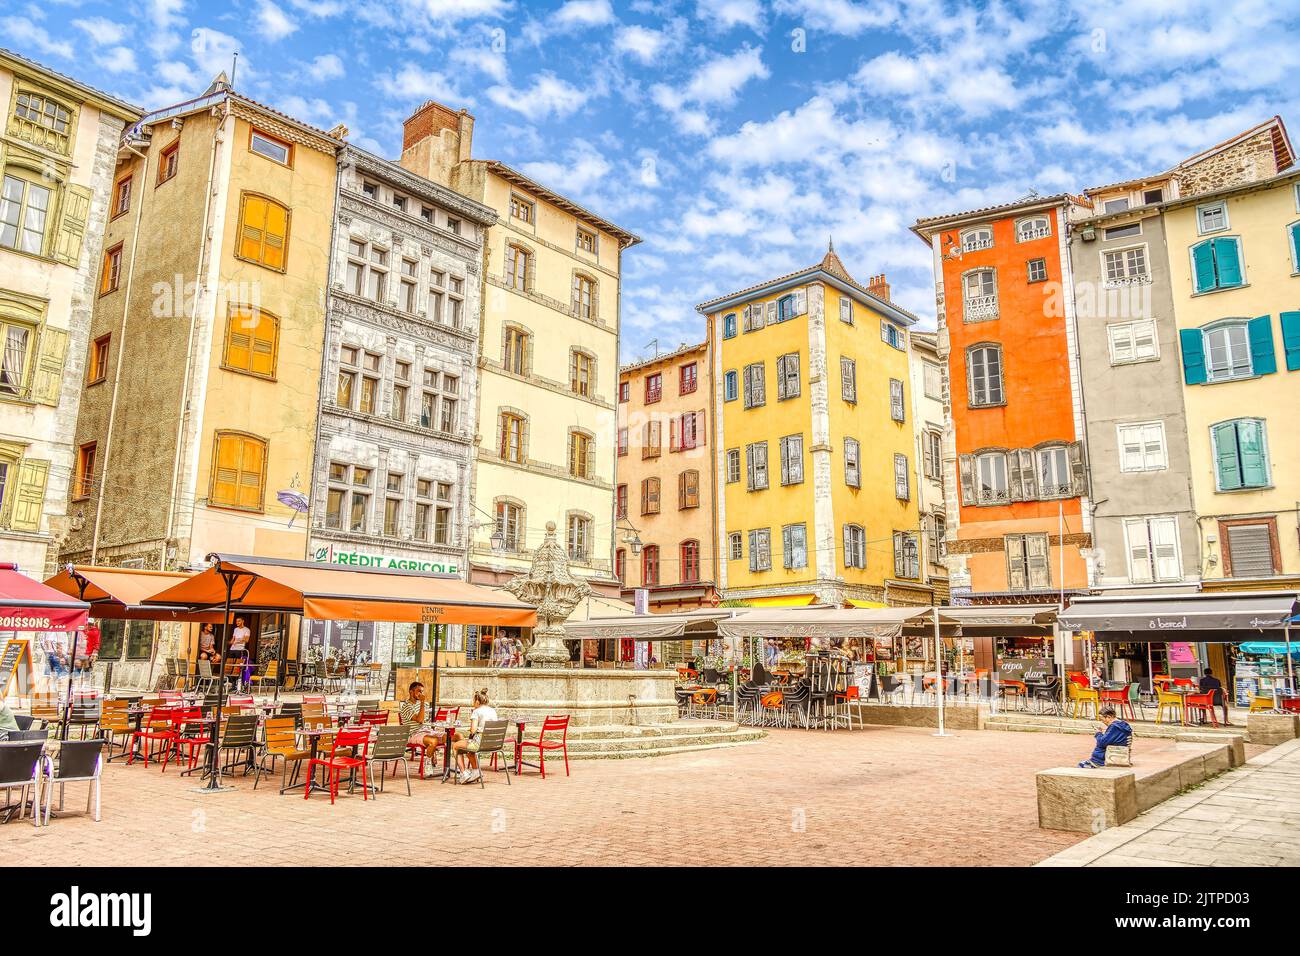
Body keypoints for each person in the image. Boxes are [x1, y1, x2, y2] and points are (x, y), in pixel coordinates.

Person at [451, 689, 498, 784]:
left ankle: (464, 773)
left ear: (477, 701)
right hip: (493, 743)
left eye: (473, 700)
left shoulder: (476, 712)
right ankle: (476, 771)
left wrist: (473, 727)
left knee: (455, 746)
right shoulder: (493, 711)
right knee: (469, 751)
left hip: (479, 743)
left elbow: (472, 730)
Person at [399, 682, 443, 780]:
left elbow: (426, 720)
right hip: (413, 734)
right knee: (433, 741)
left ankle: (459, 768)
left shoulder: (424, 705)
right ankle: (427, 763)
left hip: (426, 730)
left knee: (450, 736)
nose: (421, 694)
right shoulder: (406, 706)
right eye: (419, 691)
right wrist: (423, 703)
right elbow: (419, 719)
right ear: (411, 692)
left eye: (422, 692)